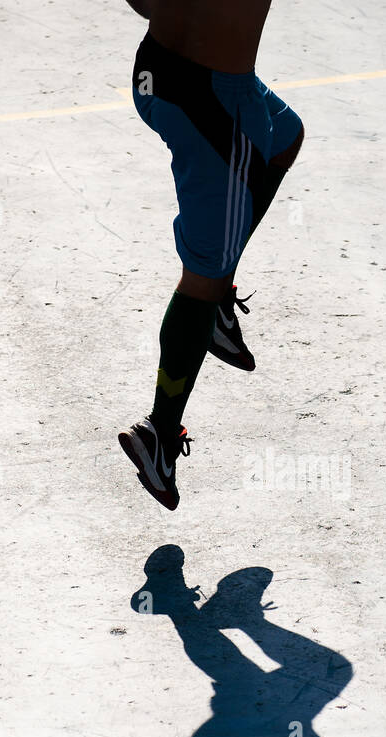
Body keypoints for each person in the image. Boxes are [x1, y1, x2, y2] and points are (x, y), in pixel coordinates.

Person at [118, 0, 305, 510]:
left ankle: (217, 298)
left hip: (154, 73)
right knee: (203, 275)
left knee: (285, 135)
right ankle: (158, 433)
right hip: (217, 105)